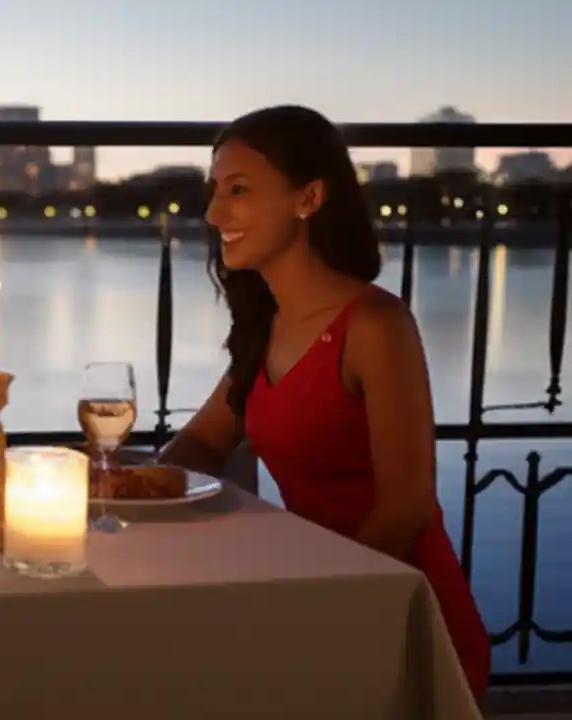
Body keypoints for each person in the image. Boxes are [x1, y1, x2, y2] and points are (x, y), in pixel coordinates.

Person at [159, 105, 490, 697]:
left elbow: (405, 510)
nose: (213, 214)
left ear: (309, 198)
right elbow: (206, 440)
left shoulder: (375, 326)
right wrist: (137, 491)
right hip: (316, 597)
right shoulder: (268, 327)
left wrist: (316, 601)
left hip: (402, 618)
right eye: (214, 191)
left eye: (238, 190)